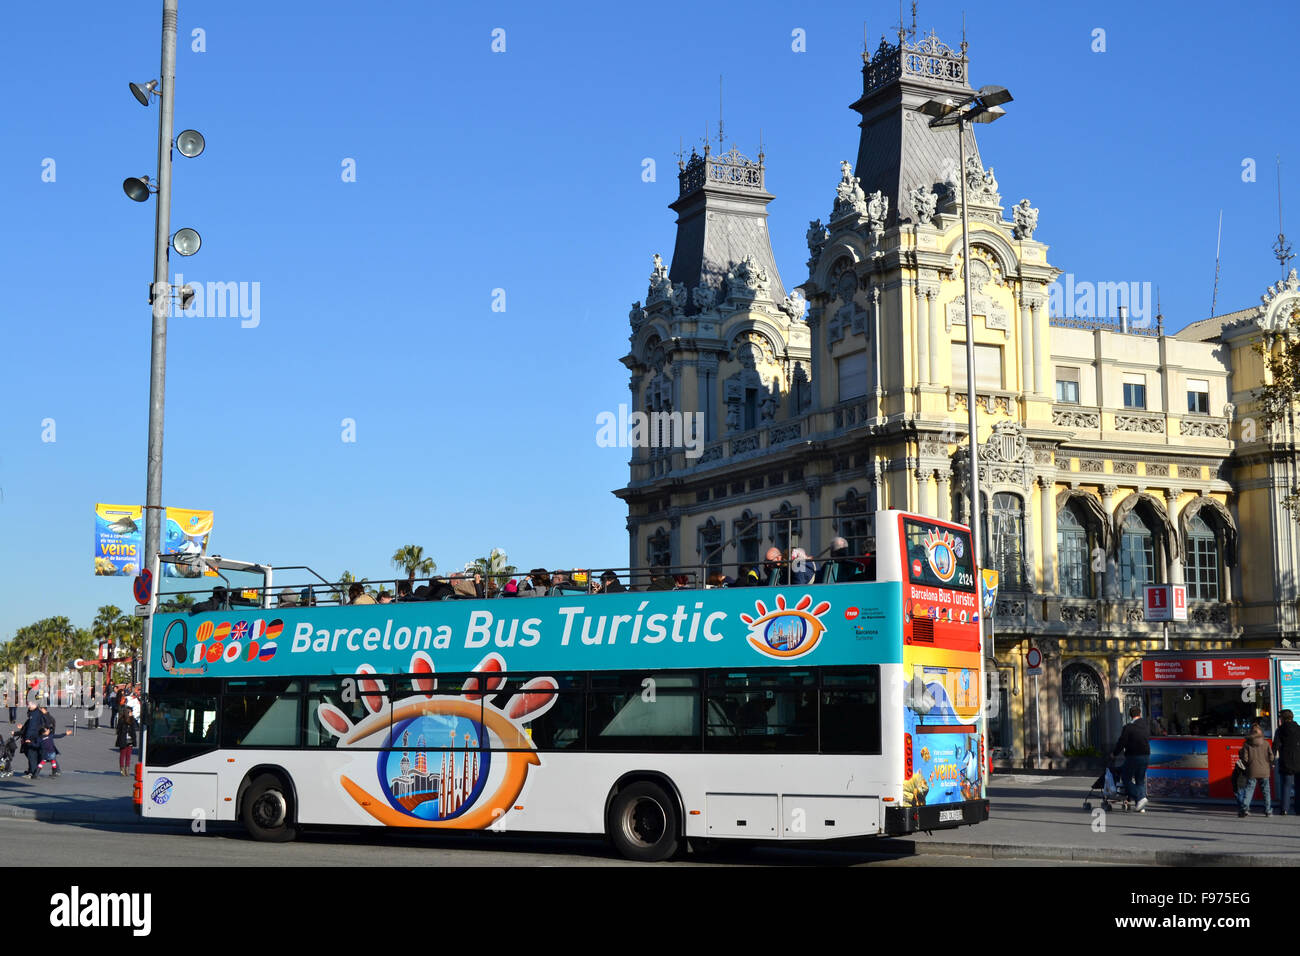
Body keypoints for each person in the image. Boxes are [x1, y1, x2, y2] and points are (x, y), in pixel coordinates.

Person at [1111, 704, 1151, 812]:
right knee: (1140, 780)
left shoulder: (1128, 727)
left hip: (1133, 756)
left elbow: (1122, 742)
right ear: (1140, 714)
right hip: (1146, 755)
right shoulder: (1146, 726)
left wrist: (1114, 753)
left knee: (1126, 778)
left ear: (1130, 715)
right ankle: (1141, 806)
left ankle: (1140, 798)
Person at [1237, 721, 1275, 817]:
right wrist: (1269, 763)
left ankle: (1245, 808)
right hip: (1265, 770)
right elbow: (1271, 756)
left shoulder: (1247, 744)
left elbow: (1244, 758)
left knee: (1249, 789)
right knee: (1266, 791)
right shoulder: (1266, 743)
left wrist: (1248, 764)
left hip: (1252, 770)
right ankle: (1268, 810)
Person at [1275, 710, 1300, 815]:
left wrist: (1271, 760)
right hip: (1299, 760)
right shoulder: (1299, 729)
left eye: (1280, 718)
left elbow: (1275, 745)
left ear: (1283, 719)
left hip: (1286, 761)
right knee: (1299, 786)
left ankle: (1284, 809)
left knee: (1286, 785)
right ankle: (1298, 809)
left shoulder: (1280, 730)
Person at [19, 703, 43, 778]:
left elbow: (32, 728)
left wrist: (27, 738)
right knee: (30, 754)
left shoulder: (35, 714)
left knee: (31, 755)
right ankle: (31, 770)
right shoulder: (34, 713)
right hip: (34, 737)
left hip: (32, 738)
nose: (28, 706)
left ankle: (32, 773)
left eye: (30, 704)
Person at [116, 710, 138, 777]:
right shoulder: (122, 720)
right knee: (123, 755)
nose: (132, 713)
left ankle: (127, 769)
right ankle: (122, 769)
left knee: (128, 756)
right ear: (127, 713)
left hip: (130, 740)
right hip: (123, 740)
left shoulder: (132, 720)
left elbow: (136, 728)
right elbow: (118, 730)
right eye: (130, 712)